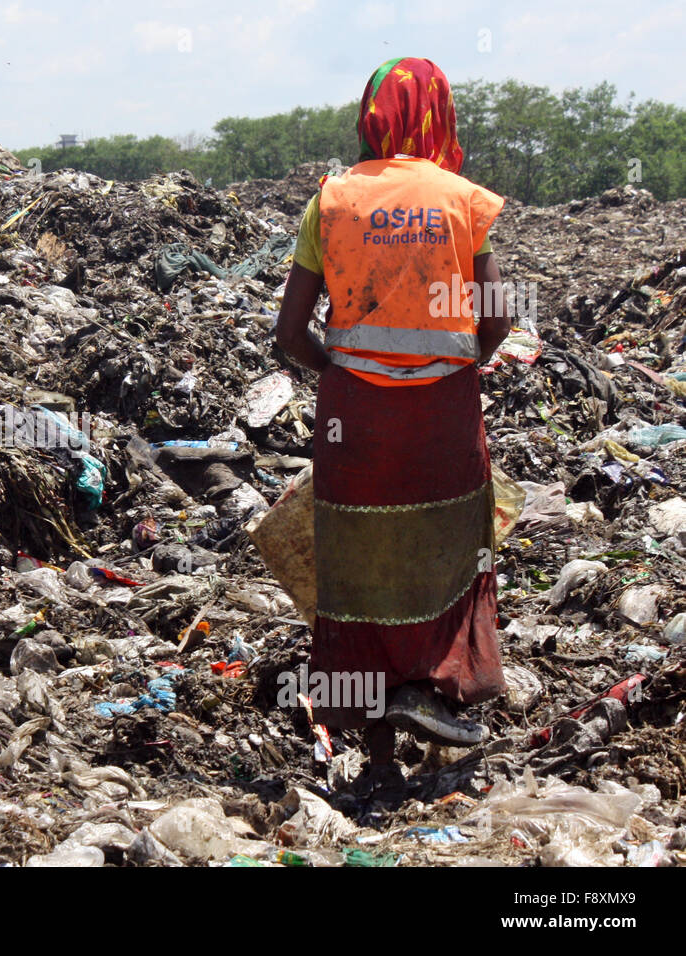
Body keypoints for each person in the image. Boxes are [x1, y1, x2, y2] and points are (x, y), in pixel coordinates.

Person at [275, 57, 510, 788]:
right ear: (439, 114)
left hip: (355, 423)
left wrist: (343, 377)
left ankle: (374, 745)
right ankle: (435, 689)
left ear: (373, 114)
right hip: (442, 414)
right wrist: (458, 364)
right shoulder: (460, 200)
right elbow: (497, 317)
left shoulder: (333, 199)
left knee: (357, 562)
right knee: (449, 550)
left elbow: (289, 331)